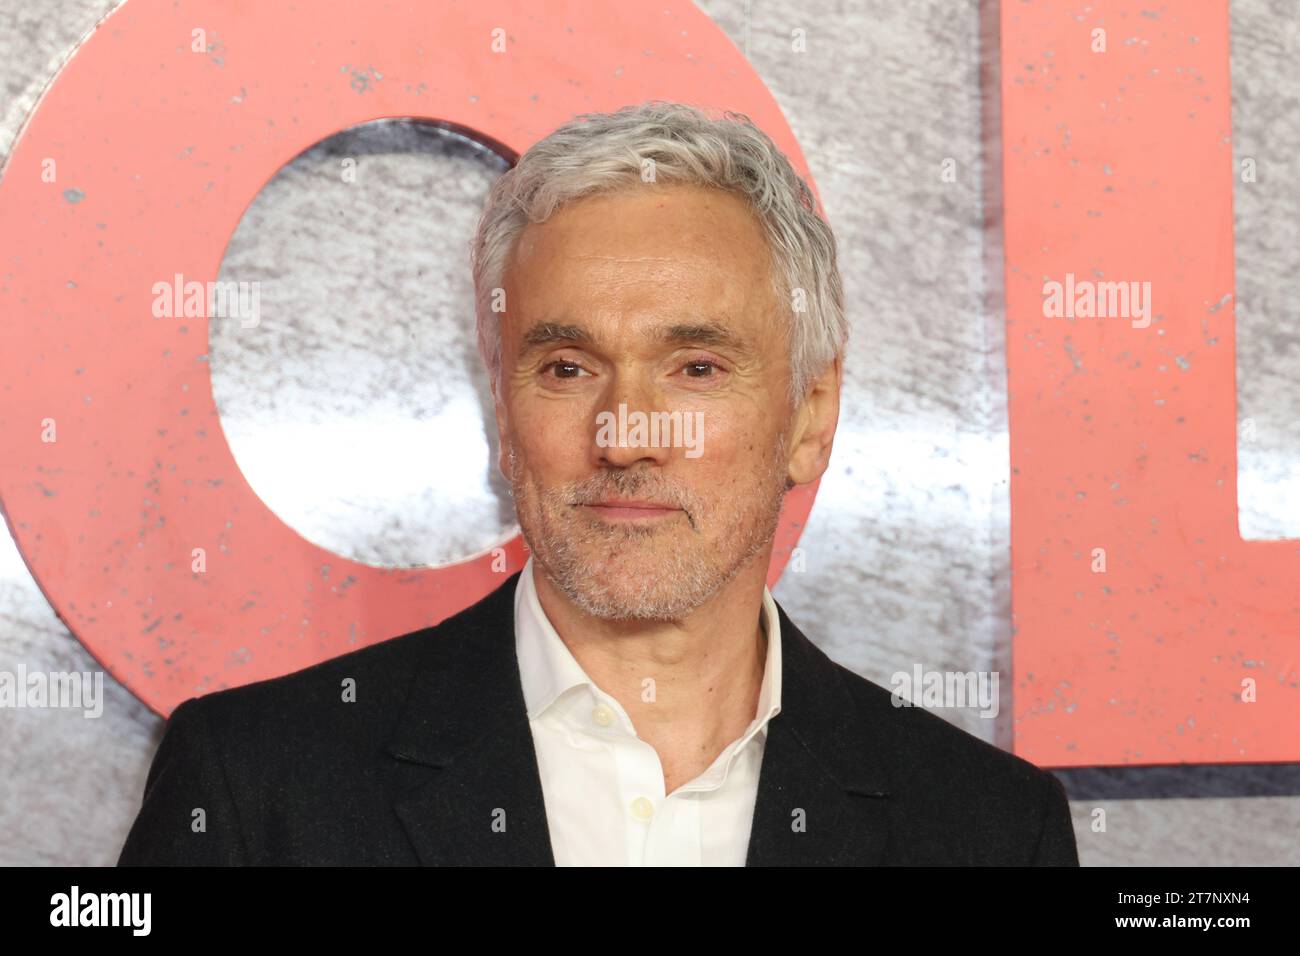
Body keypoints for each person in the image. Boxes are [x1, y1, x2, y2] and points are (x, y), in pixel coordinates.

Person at [118, 100, 1079, 866]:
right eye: (568, 368)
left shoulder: (989, 830)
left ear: (810, 417)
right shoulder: (253, 790)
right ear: (504, 416)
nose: (625, 435)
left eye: (696, 368)